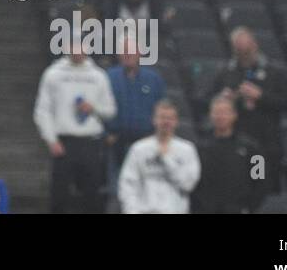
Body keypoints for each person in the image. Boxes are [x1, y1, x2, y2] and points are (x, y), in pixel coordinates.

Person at [33, 40, 116, 214]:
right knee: (59, 196)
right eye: (74, 46)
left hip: (91, 142)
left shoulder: (98, 76)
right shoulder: (53, 74)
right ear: (67, 48)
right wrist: (51, 139)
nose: (78, 51)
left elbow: (110, 110)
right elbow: (42, 110)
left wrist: (93, 108)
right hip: (64, 143)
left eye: (81, 46)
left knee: (92, 196)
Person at [212, 27, 287, 193]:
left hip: (264, 144)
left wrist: (261, 96)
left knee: (261, 187)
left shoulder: (273, 73)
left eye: (247, 50)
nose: (244, 55)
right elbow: (205, 99)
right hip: (235, 143)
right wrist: (224, 98)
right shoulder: (226, 73)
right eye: (239, 51)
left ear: (255, 45)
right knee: (236, 187)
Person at [117, 100, 201, 214]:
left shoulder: (187, 149)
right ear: (154, 120)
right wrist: (131, 211)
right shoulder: (139, 149)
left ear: (176, 121)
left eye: (170, 118)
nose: (166, 122)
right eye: (162, 117)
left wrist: (166, 159)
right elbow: (128, 184)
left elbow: (188, 184)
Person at [193, 92, 264, 213]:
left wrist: (250, 207)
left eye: (224, 112)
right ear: (210, 115)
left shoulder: (252, 148)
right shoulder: (199, 147)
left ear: (234, 115)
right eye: (216, 112)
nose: (220, 116)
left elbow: (260, 181)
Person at [105, 42, 167, 177]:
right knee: (117, 183)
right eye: (124, 51)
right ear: (118, 54)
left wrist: (158, 136)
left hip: (146, 141)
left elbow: (163, 109)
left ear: (140, 53)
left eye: (132, 50)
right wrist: (106, 134)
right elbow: (98, 106)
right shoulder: (108, 77)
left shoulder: (154, 79)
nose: (128, 54)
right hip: (116, 143)